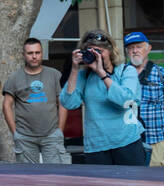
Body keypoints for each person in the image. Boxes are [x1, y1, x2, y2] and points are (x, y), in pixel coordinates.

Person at [59, 29, 146, 166]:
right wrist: (74, 69)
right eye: (90, 51)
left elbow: (126, 101)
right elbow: (69, 103)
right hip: (96, 146)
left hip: (126, 142)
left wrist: (102, 74)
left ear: (110, 51)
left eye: (99, 51)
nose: (95, 55)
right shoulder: (84, 76)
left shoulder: (125, 71)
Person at [1, 37, 67, 164]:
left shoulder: (54, 75)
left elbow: (63, 103)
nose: (34, 56)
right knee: (28, 177)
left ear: (42, 53)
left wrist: (60, 131)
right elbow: (6, 105)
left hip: (52, 135)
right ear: (24, 55)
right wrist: (15, 132)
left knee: (57, 175)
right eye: (30, 53)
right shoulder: (14, 78)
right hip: (25, 137)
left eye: (37, 53)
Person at [123, 31, 164, 167]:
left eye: (139, 46)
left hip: (156, 139)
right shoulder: (120, 73)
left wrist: (158, 126)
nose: (135, 51)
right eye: (130, 48)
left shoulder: (162, 74)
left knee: (159, 181)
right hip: (126, 140)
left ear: (148, 49)